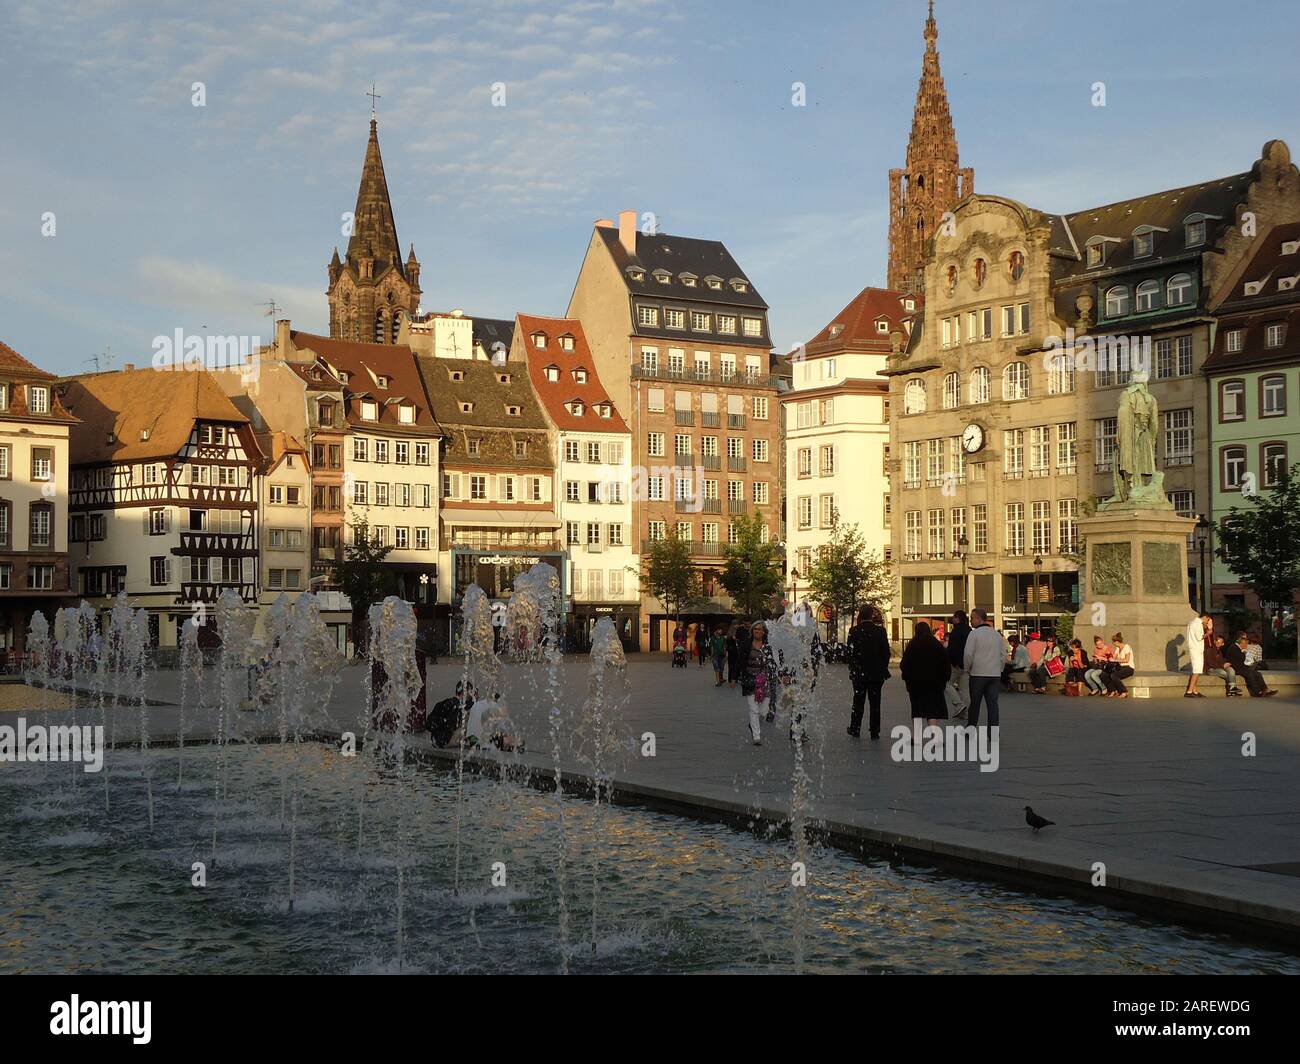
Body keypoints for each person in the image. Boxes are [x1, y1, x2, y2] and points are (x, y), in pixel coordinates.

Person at [846, 606, 891, 739]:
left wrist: (853, 668)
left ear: (860, 615)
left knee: (858, 701)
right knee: (875, 702)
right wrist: (882, 668)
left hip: (859, 673)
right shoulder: (880, 631)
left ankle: (855, 728)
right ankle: (875, 730)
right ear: (872, 615)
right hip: (876, 674)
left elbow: (850, 653)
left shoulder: (853, 631)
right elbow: (886, 653)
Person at [901, 622, 952, 727]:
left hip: (916, 684)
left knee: (917, 710)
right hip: (934, 683)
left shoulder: (912, 645)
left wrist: (907, 678)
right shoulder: (937, 645)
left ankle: (916, 737)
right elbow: (945, 664)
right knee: (932, 710)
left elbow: (904, 665)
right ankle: (935, 736)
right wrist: (944, 679)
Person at [963, 608, 1007, 729]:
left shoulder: (974, 634)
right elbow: (1003, 655)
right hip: (994, 675)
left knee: (975, 704)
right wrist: (999, 669)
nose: (971, 621)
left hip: (978, 674)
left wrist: (968, 668)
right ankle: (993, 733)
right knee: (993, 705)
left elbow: (968, 654)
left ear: (978, 618)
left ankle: (970, 729)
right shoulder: (997, 635)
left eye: (972, 618)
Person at [741, 621, 779, 745]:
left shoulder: (769, 646)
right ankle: (756, 736)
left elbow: (775, 662)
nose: (757, 631)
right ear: (752, 631)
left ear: (764, 632)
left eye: (760, 629)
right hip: (750, 680)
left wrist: (782, 674)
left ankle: (753, 724)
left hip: (765, 682)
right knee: (753, 710)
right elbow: (739, 660)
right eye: (755, 629)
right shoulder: (747, 644)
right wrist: (733, 678)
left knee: (764, 711)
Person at [946, 610, 972, 720]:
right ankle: (967, 713)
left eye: (953, 617)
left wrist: (953, 662)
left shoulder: (955, 631)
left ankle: (958, 705)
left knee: (947, 683)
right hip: (967, 663)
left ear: (957, 618)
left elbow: (953, 649)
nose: (952, 619)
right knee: (964, 689)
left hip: (956, 664)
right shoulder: (969, 630)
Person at [1184, 612, 1209, 698]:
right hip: (1197, 649)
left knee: (1195, 669)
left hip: (1193, 647)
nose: (1207, 621)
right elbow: (1199, 637)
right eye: (1207, 619)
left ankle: (1194, 691)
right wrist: (1208, 633)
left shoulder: (1191, 623)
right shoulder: (1198, 624)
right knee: (1197, 670)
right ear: (1205, 617)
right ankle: (1189, 690)